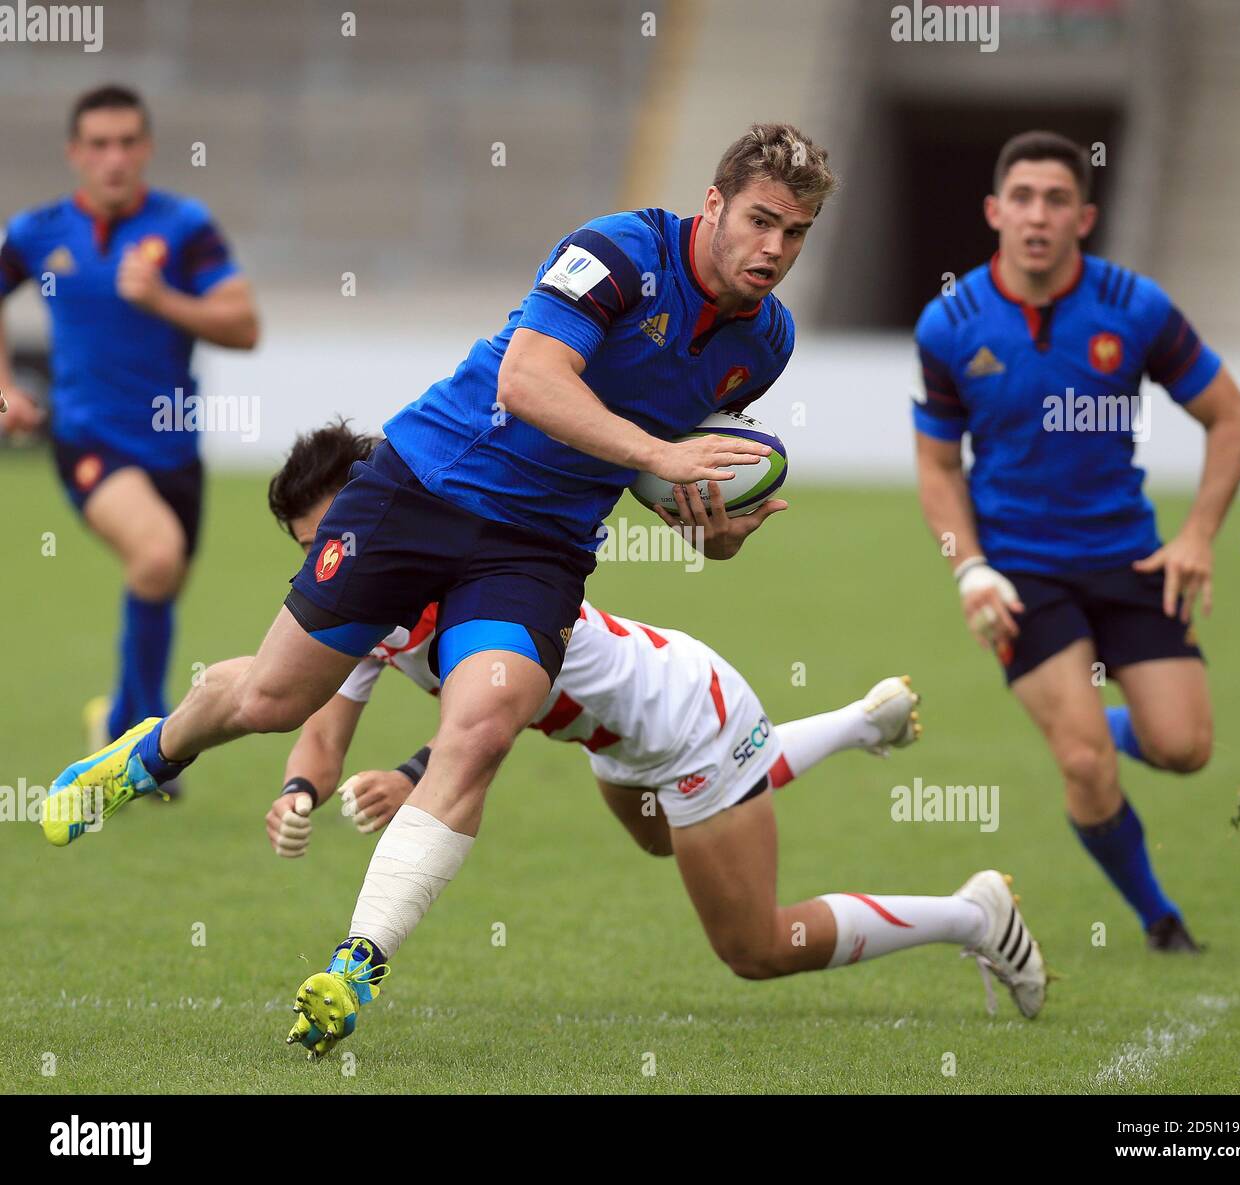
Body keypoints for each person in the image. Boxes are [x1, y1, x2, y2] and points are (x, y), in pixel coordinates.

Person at [42, 123, 840, 1052]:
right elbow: (533, 378)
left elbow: (655, 470)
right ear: (714, 205)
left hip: (539, 546)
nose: (775, 250)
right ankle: (145, 755)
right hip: (424, 483)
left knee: (486, 722)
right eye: (761, 221)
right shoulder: (616, 250)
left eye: (798, 233)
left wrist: (709, 529)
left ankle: (354, 967)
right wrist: (661, 454)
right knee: (270, 695)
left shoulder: (767, 340)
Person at [256, 422, 1044, 1059]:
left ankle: (973, 915)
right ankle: (857, 723)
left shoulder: (460, 576)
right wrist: (298, 791)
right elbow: (318, 734)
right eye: (306, 550)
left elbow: (491, 720)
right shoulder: (363, 613)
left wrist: (411, 772)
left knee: (755, 945)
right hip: (620, 740)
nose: (326, 562)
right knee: (663, 842)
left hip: (690, 720)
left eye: (335, 535)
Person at [911, 131, 1240, 951]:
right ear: (994, 212)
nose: (1038, 215)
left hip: (1129, 555)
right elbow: (935, 464)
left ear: (1084, 217)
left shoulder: (1135, 308)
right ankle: (1158, 918)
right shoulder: (949, 325)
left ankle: (1090, 716)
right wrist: (971, 570)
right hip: (1023, 574)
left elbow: (1230, 417)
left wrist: (1199, 534)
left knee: (1185, 747)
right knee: (1086, 767)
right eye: (1022, 198)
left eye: (1056, 200)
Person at [0, 86, 258, 781]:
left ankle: (119, 724)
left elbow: (244, 326)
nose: (112, 158)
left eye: (125, 143)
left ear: (144, 149)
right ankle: (146, 753)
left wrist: (163, 299)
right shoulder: (37, 231)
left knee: (163, 576)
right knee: (156, 555)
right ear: (75, 153)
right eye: (98, 144)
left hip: (174, 449)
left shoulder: (183, 227)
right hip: (88, 439)